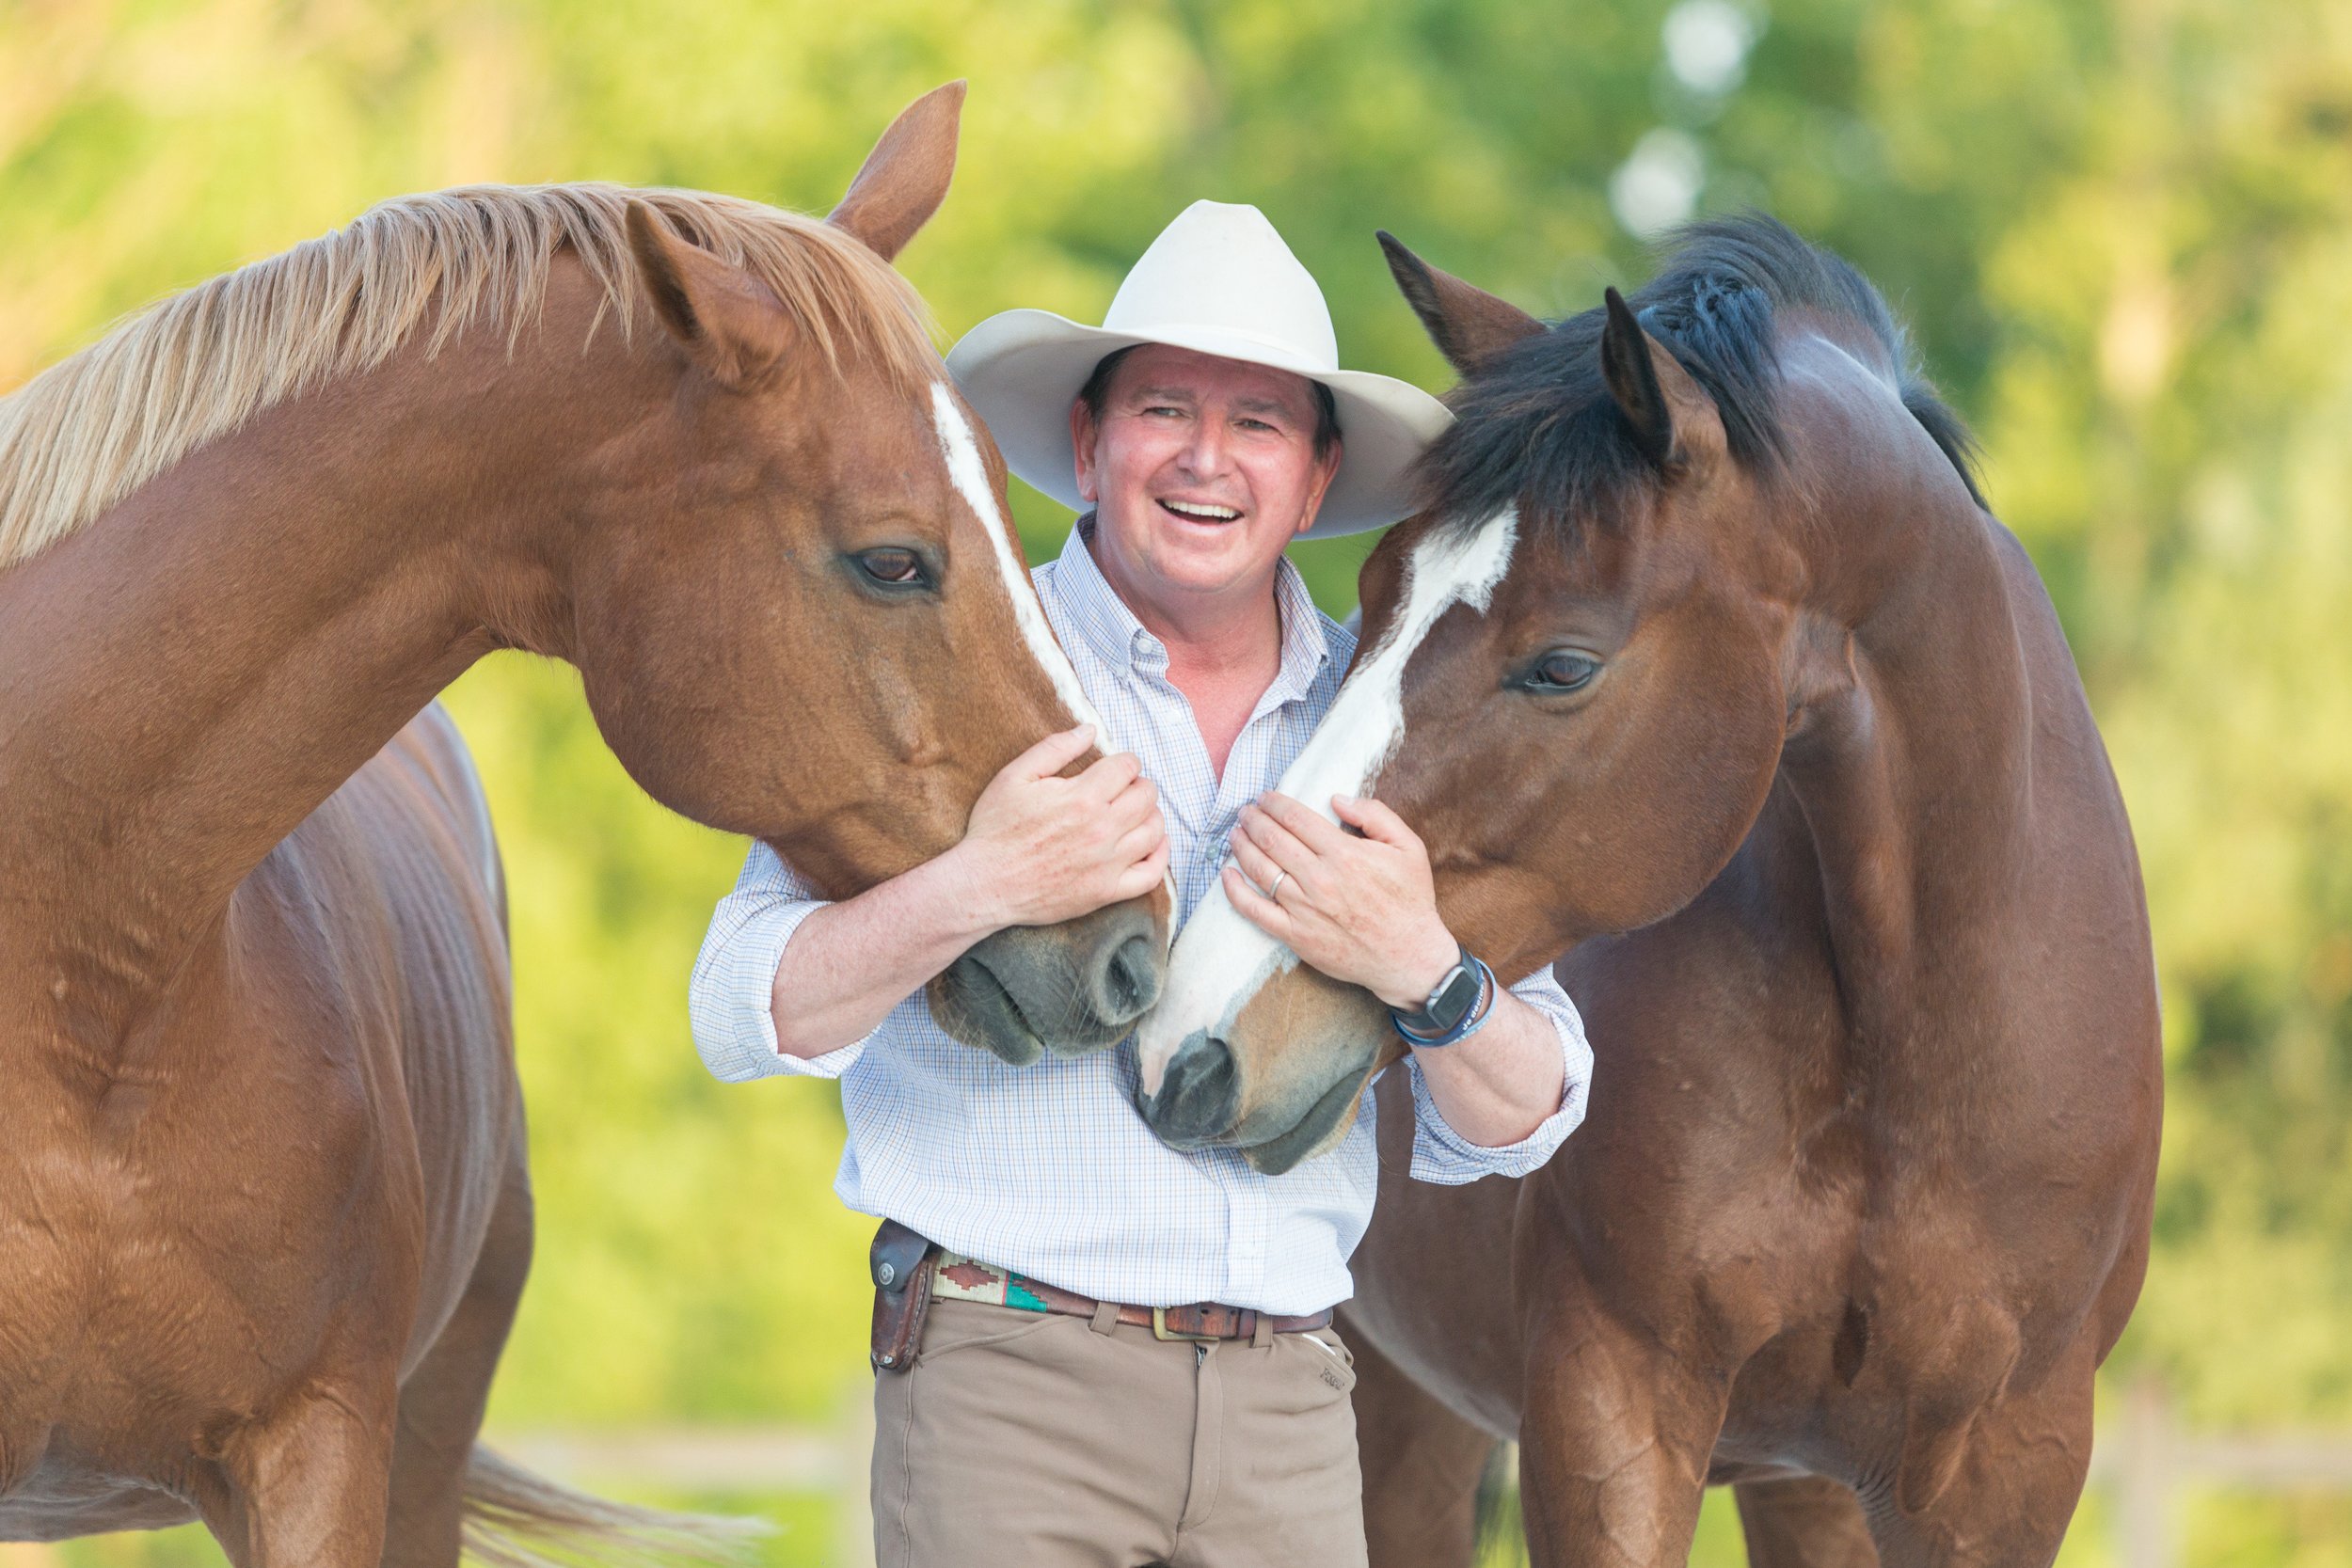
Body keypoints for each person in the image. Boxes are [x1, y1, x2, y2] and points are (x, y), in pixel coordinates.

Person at [690, 200, 1592, 1568]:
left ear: (1314, 473)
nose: (1206, 459)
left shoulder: (1392, 726)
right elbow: (741, 1011)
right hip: (1010, 1384)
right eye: (1164, 407)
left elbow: (1530, 1114)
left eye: (1260, 423)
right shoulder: (947, 670)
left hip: (1293, 1404)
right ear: (1088, 443)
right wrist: (978, 885)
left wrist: (1423, 967)